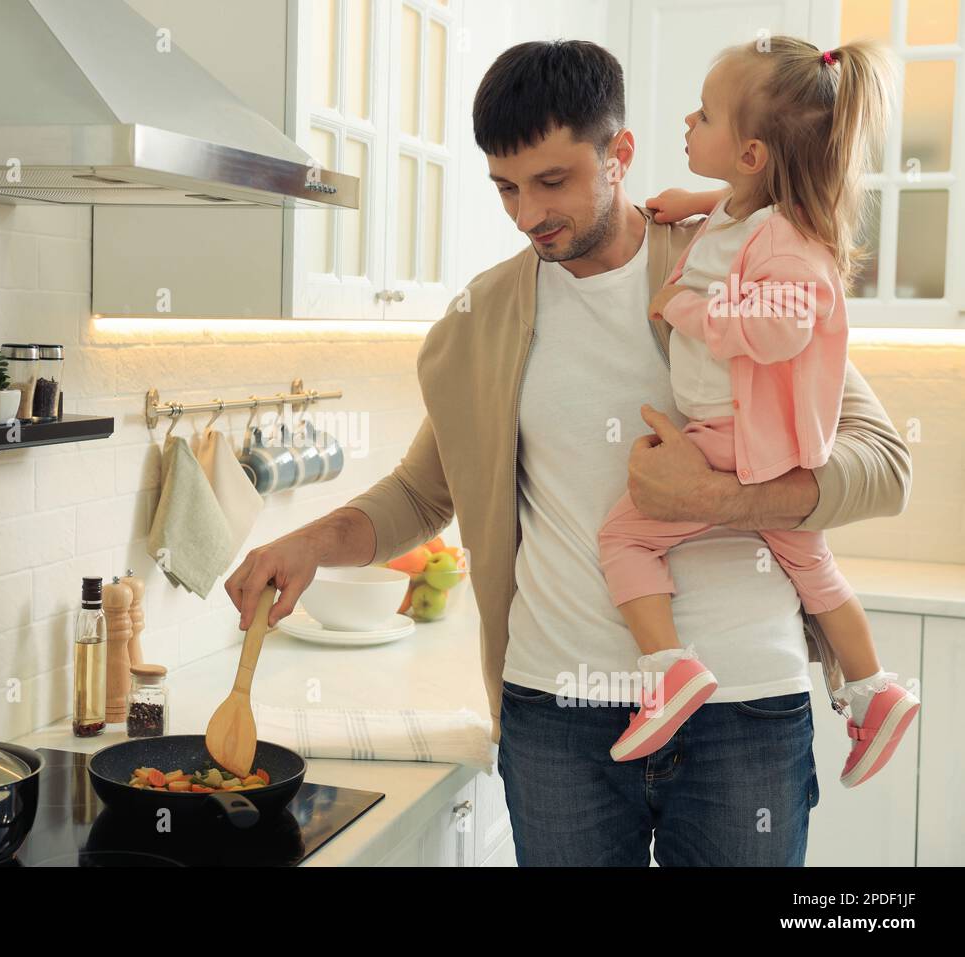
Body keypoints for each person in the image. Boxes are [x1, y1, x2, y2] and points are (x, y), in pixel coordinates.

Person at [225, 39, 911, 866]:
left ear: (619, 154)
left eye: (553, 182)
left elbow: (881, 463)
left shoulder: (730, 256)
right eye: (506, 188)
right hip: (556, 715)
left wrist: (715, 497)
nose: (527, 215)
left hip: (742, 706)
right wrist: (309, 543)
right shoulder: (479, 320)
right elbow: (419, 492)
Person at [596, 37, 920, 788]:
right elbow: (749, 214)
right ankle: (873, 689)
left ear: (748, 154)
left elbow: (780, 325)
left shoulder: (791, 245)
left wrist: (687, 308)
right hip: (759, 440)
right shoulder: (752, 209)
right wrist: (697, 202)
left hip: (735, 439)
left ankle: (669, 670)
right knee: (811, 563)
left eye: (704, 115)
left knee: (624, 536)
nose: (688, 119)